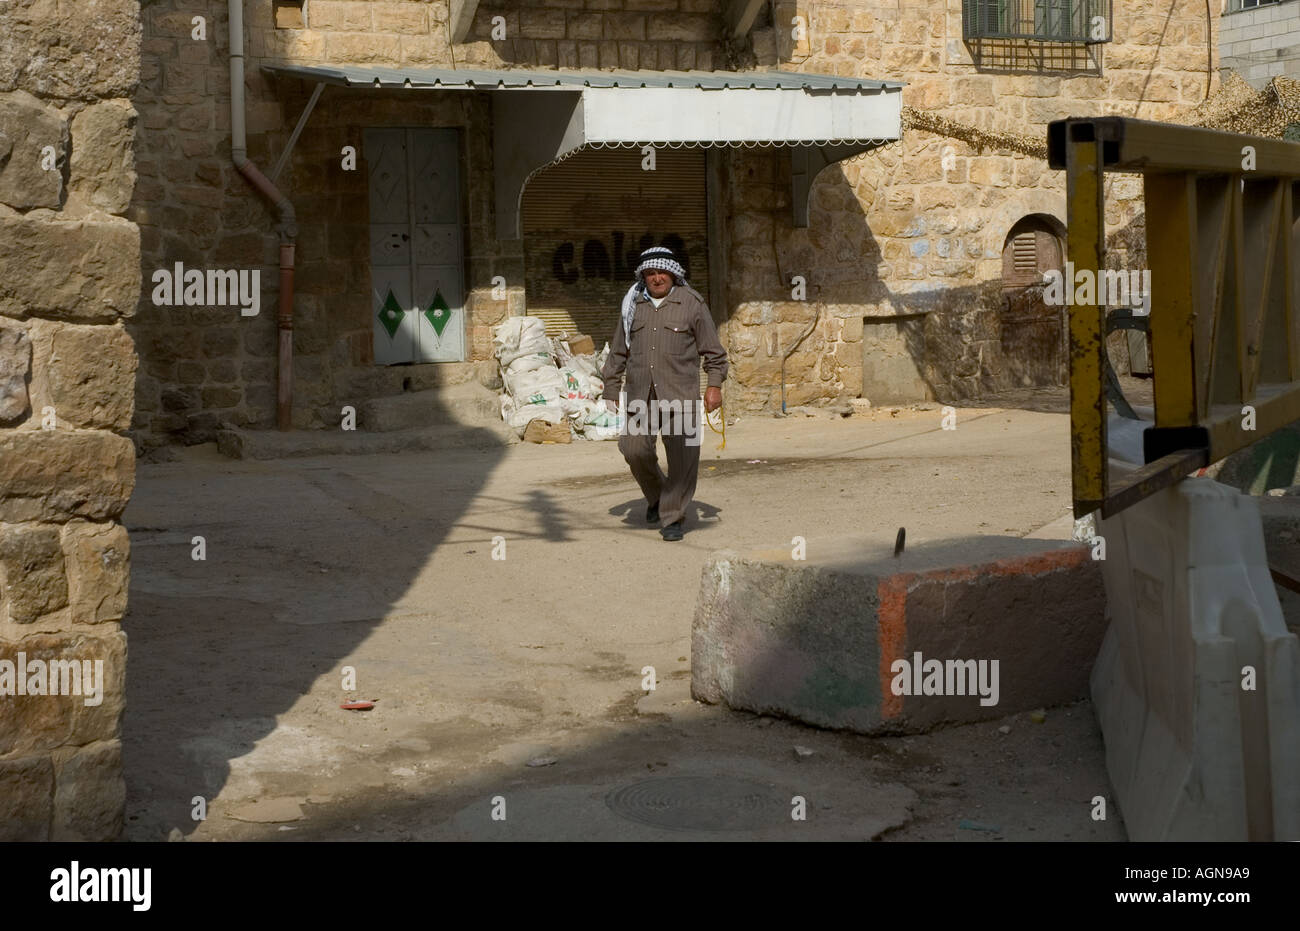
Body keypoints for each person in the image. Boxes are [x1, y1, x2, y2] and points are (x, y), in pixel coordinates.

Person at [601, 246, 727, 542]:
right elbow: (619, 350)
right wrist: (610, 385)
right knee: (633, 449)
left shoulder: (692, 304)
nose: (657, 278)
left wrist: (714, 385)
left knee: (683, 458)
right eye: (651, 273)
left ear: (673, 273)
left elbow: (715, 353)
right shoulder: (632, 306)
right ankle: (659, 496)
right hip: (639, 394)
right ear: (643, 276)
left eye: (662, 272)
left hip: (679, 393)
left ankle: (672, 517)